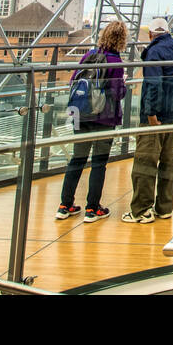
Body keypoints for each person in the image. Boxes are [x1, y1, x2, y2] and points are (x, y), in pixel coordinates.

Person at [57, 20, 128, 223]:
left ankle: (65, 205)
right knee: (99, 162)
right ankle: (92, 208)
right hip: (104, 117)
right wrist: (124, 85)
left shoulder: (88, 56)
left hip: (80, 114)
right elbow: (117, 93)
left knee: (77, 159)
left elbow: (73, 81)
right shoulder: (116, 63)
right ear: (122, 40)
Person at [124, 18, 173, 223]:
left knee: (145, 162)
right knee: (168, 161)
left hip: (157, 116)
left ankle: (141, 210)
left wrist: (150, 113)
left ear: (150, 34)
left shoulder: (154, 52)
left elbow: (153, 84)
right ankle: (164, 207)